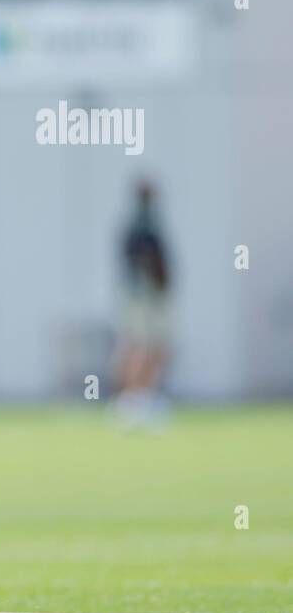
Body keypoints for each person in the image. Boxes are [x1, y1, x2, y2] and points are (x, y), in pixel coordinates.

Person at [114, 180, 172, 427]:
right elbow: (138, 263)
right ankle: (130, 399)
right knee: (138, 346)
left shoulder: (151, 227)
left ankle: (146, 396)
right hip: (141, 297)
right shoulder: (138, 228)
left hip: (154, 297)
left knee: (156, 347)